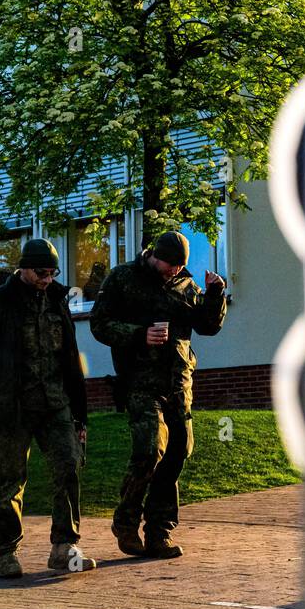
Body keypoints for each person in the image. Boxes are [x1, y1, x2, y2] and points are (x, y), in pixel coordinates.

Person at [0, 238, 96, 578]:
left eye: (52, 273)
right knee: (11, 479)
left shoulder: (57, 300)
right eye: (41, 273)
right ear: (23, 268)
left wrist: (80, 415)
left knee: (68, 466)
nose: (47, 279)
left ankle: (65, 547)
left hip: (56, 404)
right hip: (12, 408)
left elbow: (70, 359)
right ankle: (6, 553)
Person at [90, 230, 227, 559]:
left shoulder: (185, 285)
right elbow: (99, 324)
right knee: (151, 450)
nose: (175, 270)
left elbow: (208, 326)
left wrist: (216, 293)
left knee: (179, 451)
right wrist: (140, 335)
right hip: (140, 381)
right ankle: (126, 521)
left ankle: (158, 533)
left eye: (181, 266)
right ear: (154, 254)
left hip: (179, 382)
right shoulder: (124, 278)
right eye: (170, 264)